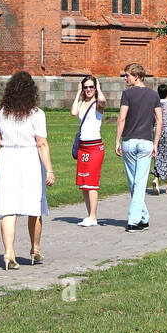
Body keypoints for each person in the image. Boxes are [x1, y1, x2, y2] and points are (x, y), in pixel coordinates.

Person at [0, 71, 55, 269]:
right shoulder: (37, 114)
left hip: (7, 159)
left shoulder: (1, 112)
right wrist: (49, 169)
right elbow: (42, 143)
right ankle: (35, 248)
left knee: (8, 208)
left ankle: (9, 252)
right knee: (34, 207)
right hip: (29, 160)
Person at [115, 63, 162, 230]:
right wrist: (155, 143)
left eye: (127, 75)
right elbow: (159, 120)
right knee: (138, 182)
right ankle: (144, 217)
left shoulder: (127, 94)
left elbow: (122, 118)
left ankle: (133, 220)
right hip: (146, 141)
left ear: (137, 76)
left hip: (129, 141)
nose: (125, 78)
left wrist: (117, 140)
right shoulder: (153, 95)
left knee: (135, 182)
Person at [71, 73, 106, 225]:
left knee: (92, 182)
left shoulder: (98, 104)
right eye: (86, 87)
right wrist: (78, 93)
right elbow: (73, 112)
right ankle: (88, 215)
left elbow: (103, 100)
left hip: (94, 147)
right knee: (84, 183)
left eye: (91, 87)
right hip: (83, 147)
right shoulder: (83, 102)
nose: (88, 90)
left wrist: (98, 87)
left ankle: (93, 216)